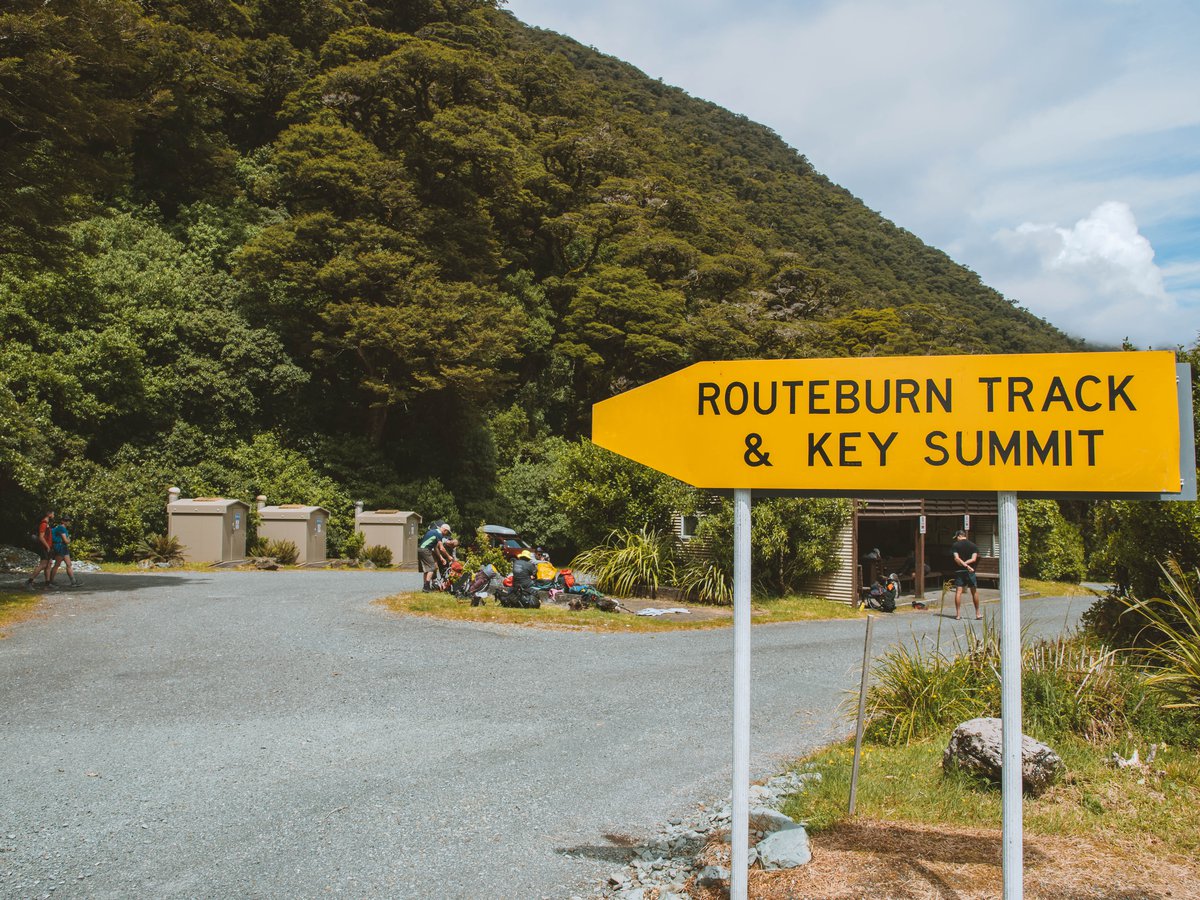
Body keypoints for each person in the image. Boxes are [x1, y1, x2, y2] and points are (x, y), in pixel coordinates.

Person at [951, 529, 981, 620]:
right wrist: (967, 565)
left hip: (959, 571)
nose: (957, 539)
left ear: (960, 536)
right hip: (970, 572)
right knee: (974, 592)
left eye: (957, 537)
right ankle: (977, 613)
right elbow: (974, 559)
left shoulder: (955, 545)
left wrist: (963, 564)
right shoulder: (973, 546)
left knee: (958, 592)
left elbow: (956, 558)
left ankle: (958, 614)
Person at [24, 510, 55, 590]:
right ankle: (29, 582)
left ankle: (47, 584)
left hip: (48, 546)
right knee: (43, 565)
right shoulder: (43, 524)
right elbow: (41, 537)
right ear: (49, 514)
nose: (53, 515)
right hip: (44, 547)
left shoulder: (47, 524)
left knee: (48, 565)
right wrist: (47, 547)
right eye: (53, 513)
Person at [418, 522, 452, 591]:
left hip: (420, 550)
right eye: (447, 532)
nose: (446, 534)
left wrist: (441, 558)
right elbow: (442, 548)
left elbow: (436, 548)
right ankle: (426, 587)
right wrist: (449, 557)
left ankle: (425, 587)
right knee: (432, 568)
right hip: (425, 550)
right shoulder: (439, 534)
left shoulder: (433, 532)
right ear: (445, 530)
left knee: (426, 570)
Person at [49, 515, 81, 587]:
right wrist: (69, 540)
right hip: (60, 547)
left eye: (69, 520)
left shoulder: (63, 528)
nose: (68, 522)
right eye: (66, 520)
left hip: (63, 547)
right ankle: (50, 581)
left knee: (68, 564)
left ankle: (73, 581)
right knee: (57, 564)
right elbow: (66, 540)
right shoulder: (61, 528)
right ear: (62, 521)